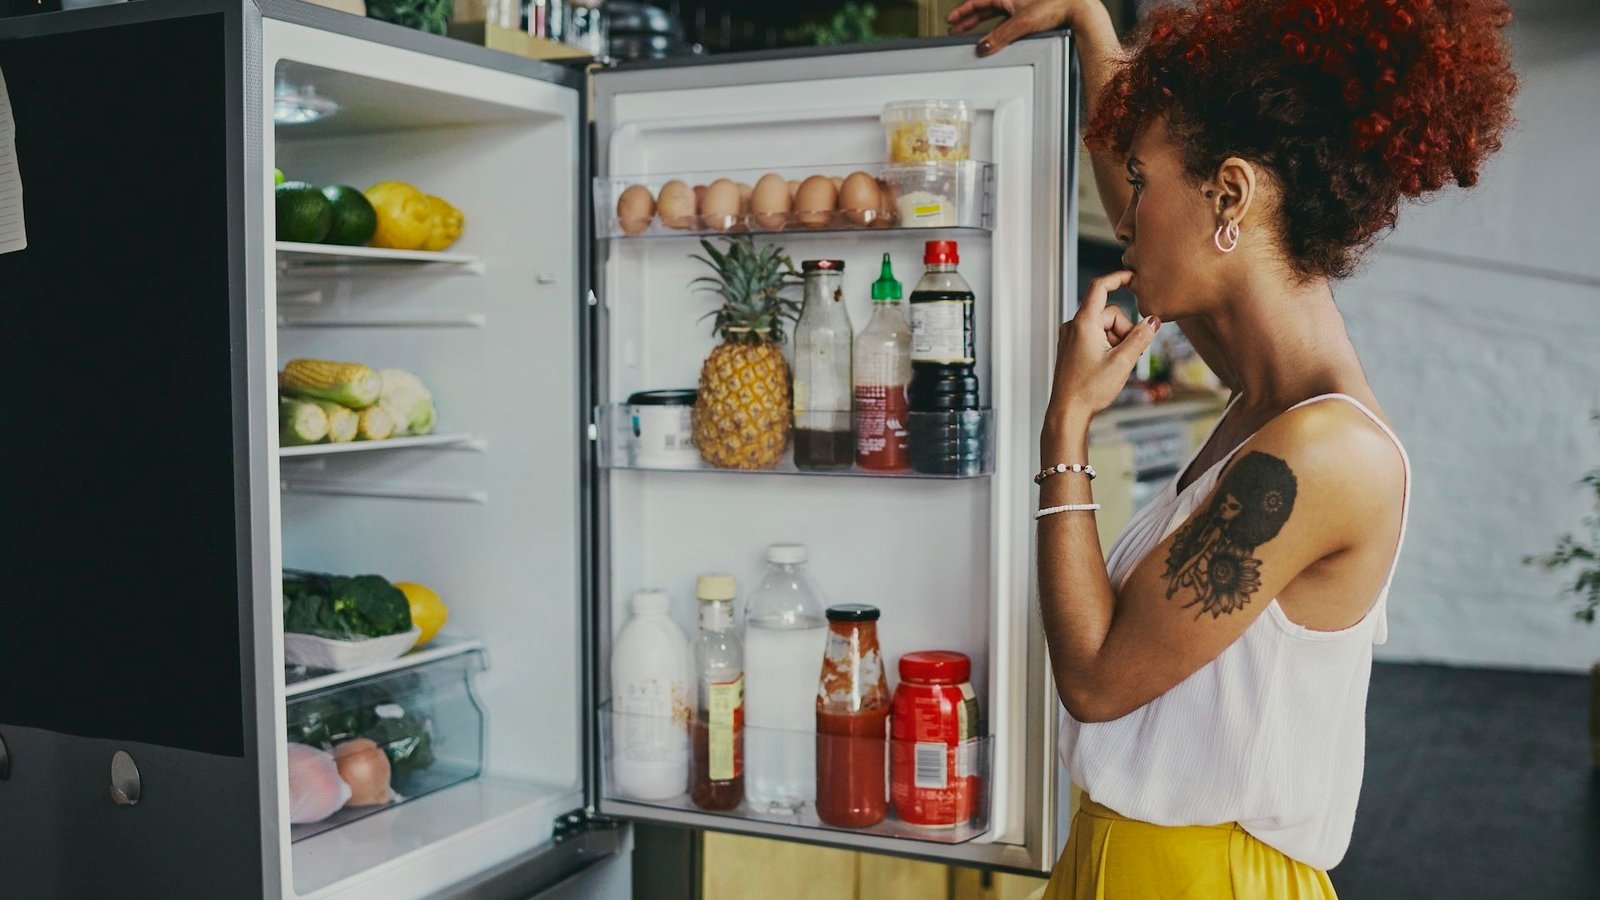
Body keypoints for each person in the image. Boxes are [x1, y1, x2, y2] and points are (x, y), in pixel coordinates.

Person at [948, 0, 1516, 896]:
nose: (1125, 218)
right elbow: (1152, 221)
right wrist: (1092, 25)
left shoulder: (1323, 453)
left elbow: (1096, 680)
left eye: (1142, 182)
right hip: (1129, 863)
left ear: (1231, 196)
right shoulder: (1266, 397)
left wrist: (1066, 426)